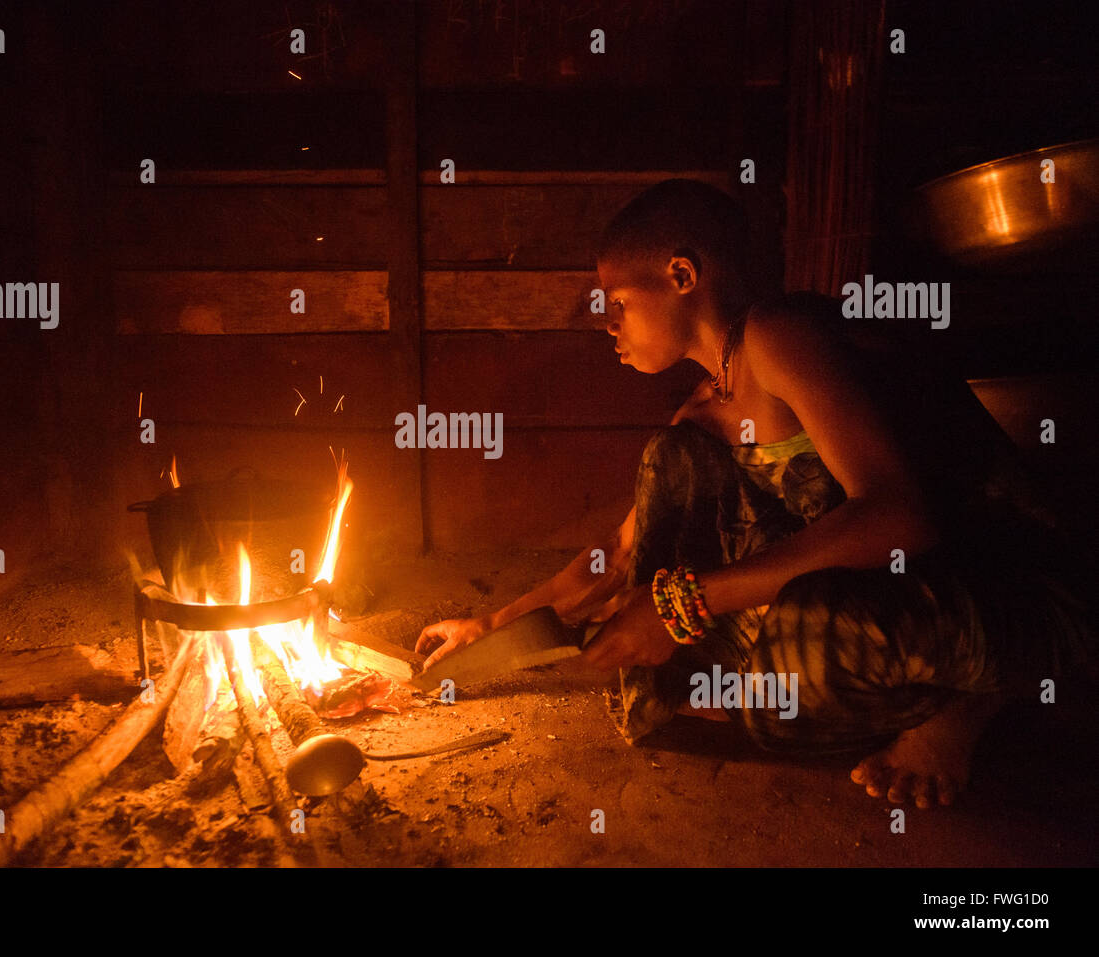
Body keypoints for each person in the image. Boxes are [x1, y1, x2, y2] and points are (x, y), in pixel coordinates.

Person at [415, 179, 1096, 809]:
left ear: (681, 275)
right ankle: (891, 693)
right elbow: (616, 556)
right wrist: (493, 625)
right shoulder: (702, 411)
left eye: (617, 303)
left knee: (804, 640)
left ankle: (970, 701)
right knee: (682, 506)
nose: (608, 326)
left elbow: (899, 517)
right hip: (888, 603)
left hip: (1015, 589)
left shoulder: (779, 334)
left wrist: (683, 603)